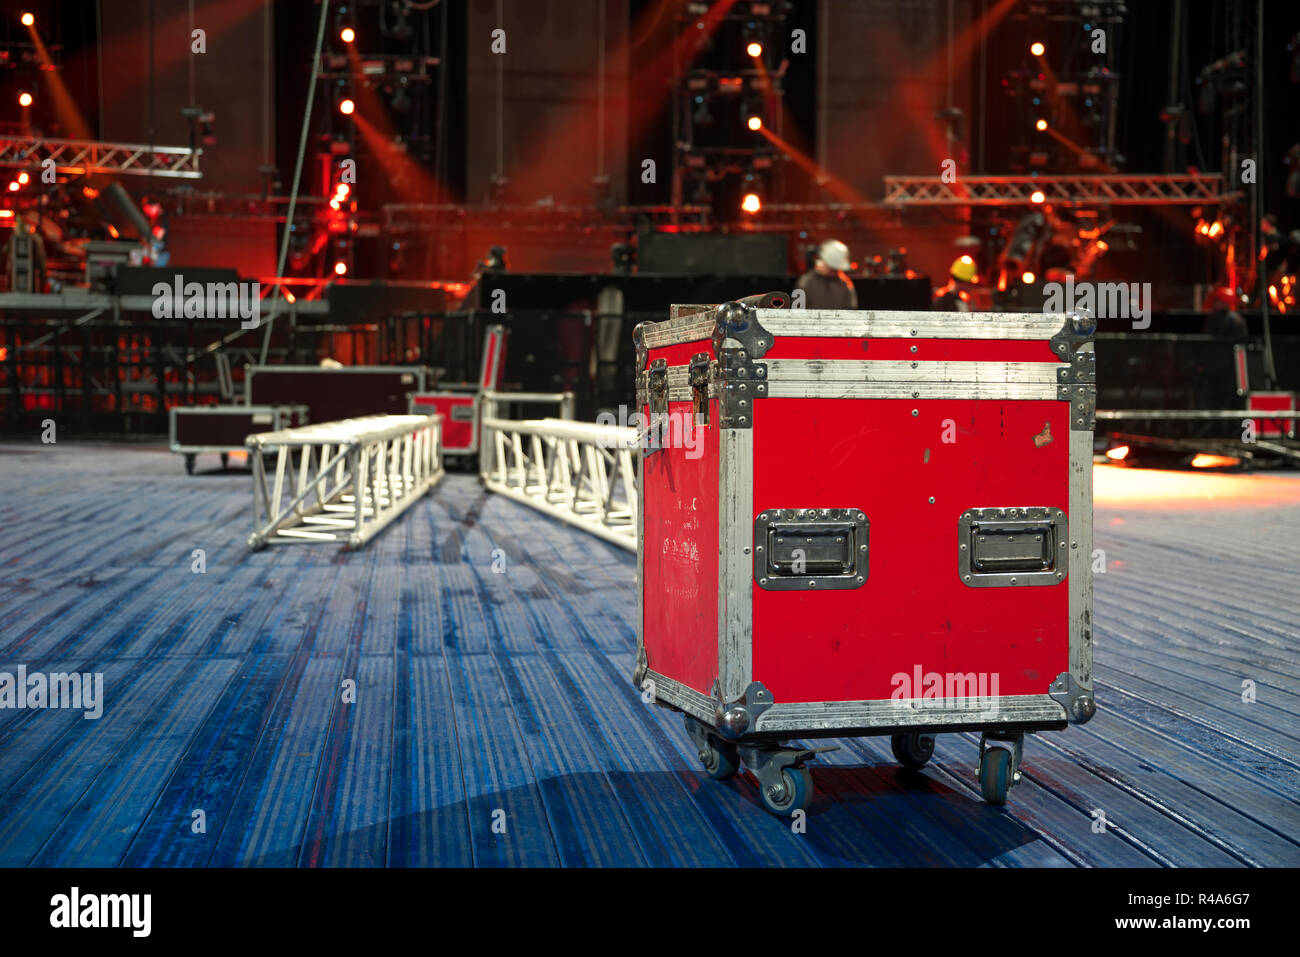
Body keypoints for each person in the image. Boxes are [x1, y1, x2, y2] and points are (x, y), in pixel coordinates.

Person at [795, 239, 857, 309]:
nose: (835, 272)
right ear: (823, 262)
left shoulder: (845, 284)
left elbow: (852, 310)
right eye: (832, 269)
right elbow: (797, 313)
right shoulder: (805, 282)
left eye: (837, 269)